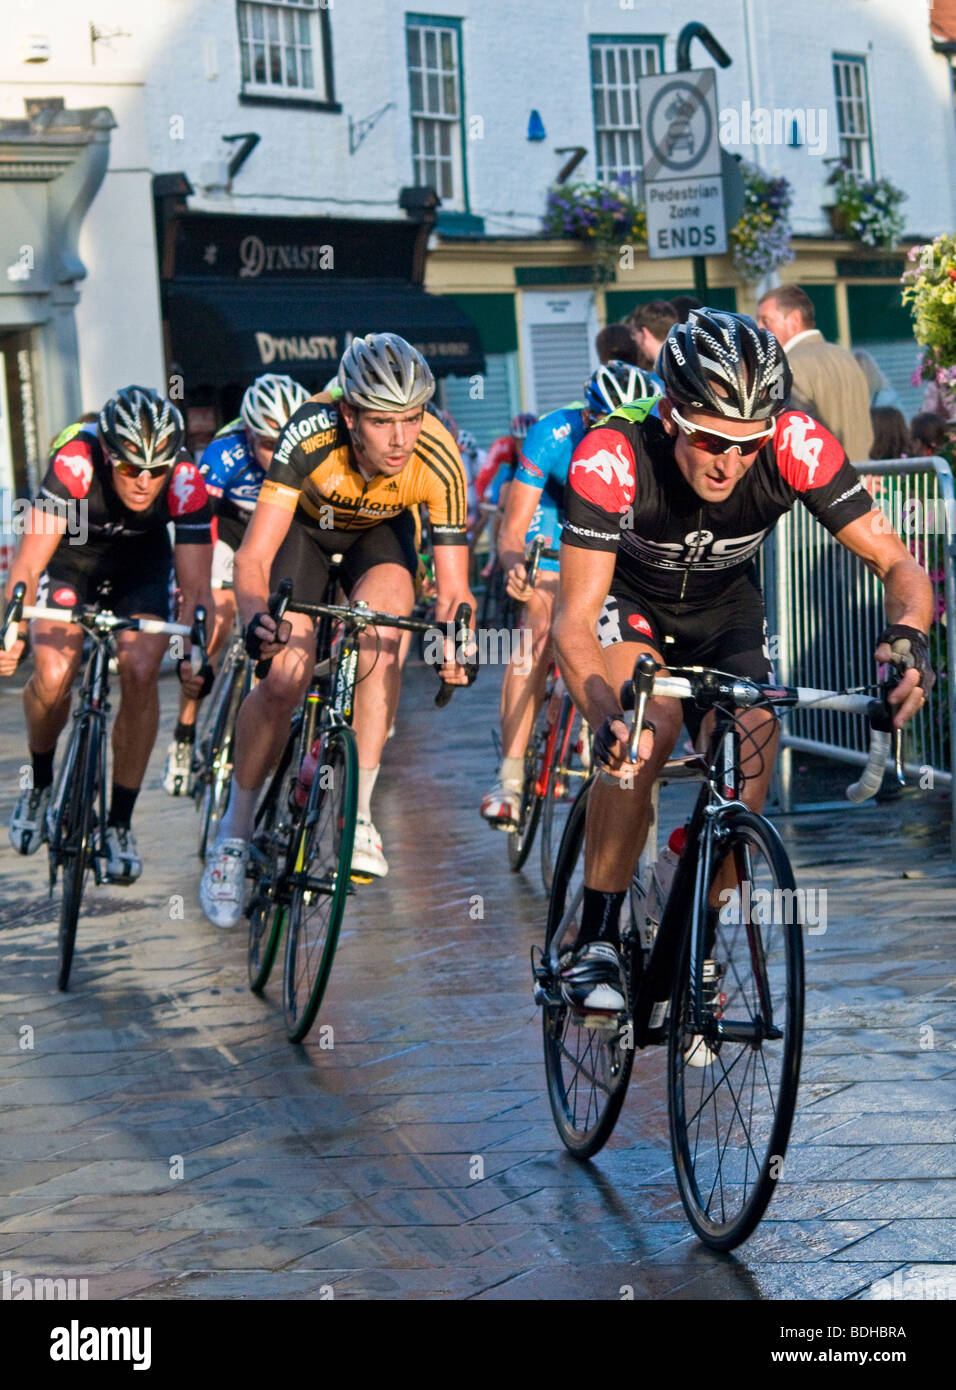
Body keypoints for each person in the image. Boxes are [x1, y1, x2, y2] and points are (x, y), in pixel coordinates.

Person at [552, 308, 934, 1014]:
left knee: (750, 754)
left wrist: (908, 639)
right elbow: (572, 619)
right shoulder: (612, 453)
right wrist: (605, 714)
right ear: (670, 414)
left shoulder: (796, 443)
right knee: (648, 727)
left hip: (725, 616)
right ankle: (597, 934)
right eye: (709, 440)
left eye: (748, 444)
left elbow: (898, 564)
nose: (728, 463)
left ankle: (691, 924)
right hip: (629, 607)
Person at [198, 333, 476, 926]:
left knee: (383, 634)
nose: (401, 438)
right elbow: (252, 557)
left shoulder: (439, 455)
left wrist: (459, 641)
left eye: (412, 418)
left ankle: (360, 814)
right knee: (283, 681)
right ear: (349, 414)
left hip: (378, 536)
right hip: (305, 533)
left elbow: (453, 590)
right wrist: (256, 620)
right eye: (381, 421)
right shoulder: (310, 431)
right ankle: (234, 833)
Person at [2, 386, 213, 879]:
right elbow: (29, 564)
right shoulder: (75, 459)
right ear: (108, 455)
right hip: (72, 560)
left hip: (140, 568)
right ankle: (38, 784)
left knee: (141, 669)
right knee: (54, 675)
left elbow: (196, 590)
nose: (144, 482)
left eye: (155, 470)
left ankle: (119, 822)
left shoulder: (185, 479)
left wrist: (192, 652)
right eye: (129, 469)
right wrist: (10, 628)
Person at [480, 362, 661, 827]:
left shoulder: (652, 436)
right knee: (539, 630)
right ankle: (510, 779)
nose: (617, 435)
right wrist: (514, 565)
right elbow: (513, 529)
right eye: (605, 425)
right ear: (587, 417)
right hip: (554, 519)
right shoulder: (554, 432)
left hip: (608, 527)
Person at [163, 374, 310, 796]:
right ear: (248, 434)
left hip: (279, 534)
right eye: (267, 444)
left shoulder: (310, 454)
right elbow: (196, 525)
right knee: (220, 613)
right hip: (228, 531)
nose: (279, 453)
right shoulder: (223, 453)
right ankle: (185, 730)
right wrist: (196, 586)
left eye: (285, 443)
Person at [756, 285, 874, 461]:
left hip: (819, 478)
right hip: (862, 473)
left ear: (795, 319)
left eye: (766, 321)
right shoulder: (845, 355)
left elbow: (783, 430)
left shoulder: (783, 366)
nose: (759, 328)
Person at [627, 300, 679, 373]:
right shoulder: (684, 367)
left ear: (645, 333)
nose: (633, 338)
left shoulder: (656, 378)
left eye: (634, 333)